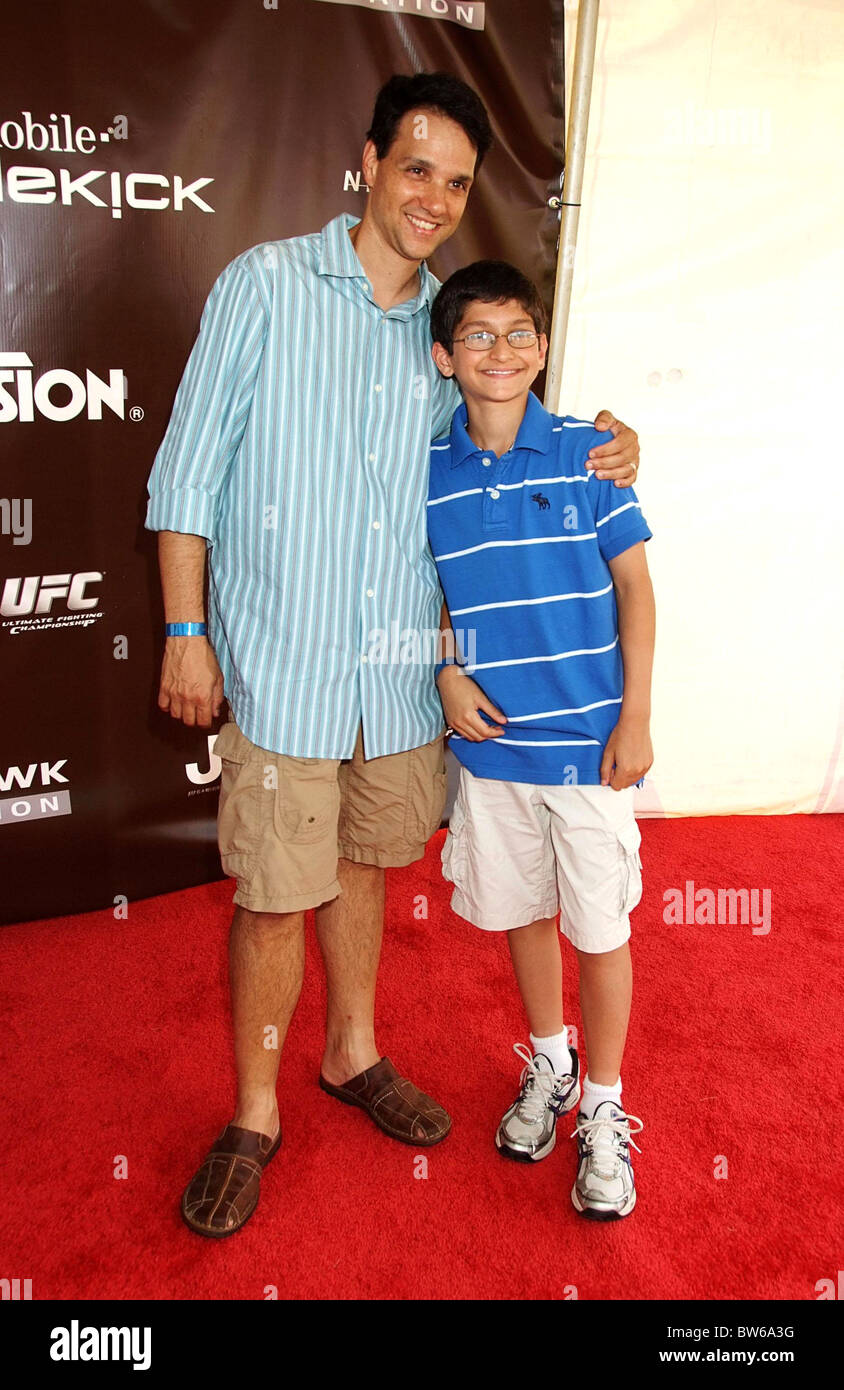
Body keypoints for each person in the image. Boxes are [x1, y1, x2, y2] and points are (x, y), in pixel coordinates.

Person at [145, 72, 642, 1238]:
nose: (433, 197)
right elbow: (185, 473)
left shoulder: (446, 330)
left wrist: (617, 437)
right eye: (415, 168)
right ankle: (256, 1111)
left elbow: (514, 419)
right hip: (280, 665)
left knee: (364, 868)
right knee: (275, 893)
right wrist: (183, 628)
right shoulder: (264, 285)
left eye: (457, 182)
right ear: (368, 163)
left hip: (402, 681)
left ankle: (352, 1054)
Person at [427, 260, 654, 1220]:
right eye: (477, 334)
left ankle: (603, 1106)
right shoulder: (428, 472)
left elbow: (636, 589)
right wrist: (444, 666)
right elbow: (430, 593)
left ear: (545, 347)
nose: (501, 351)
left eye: (519, 332)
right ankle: (550, 1064)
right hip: (493, 756)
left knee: (600, 930)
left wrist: (636, 714)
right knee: (523, 912)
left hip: (590, 749)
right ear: (444, 356)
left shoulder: (591, 454)